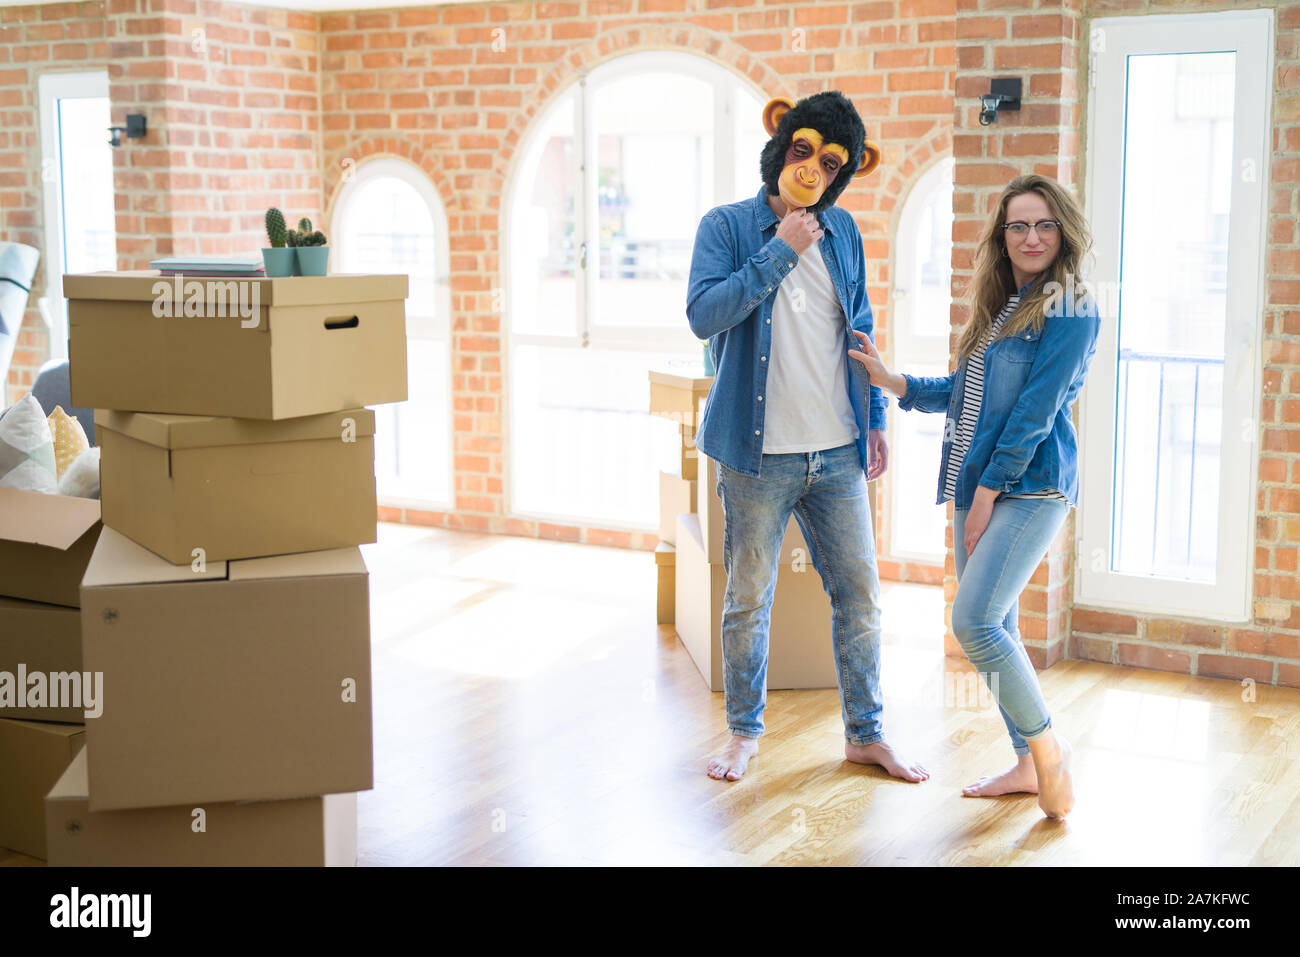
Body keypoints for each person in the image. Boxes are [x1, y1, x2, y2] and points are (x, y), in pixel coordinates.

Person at [687, 91, 928, 785]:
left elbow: (861, 323)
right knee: (748, 598)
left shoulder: (844, 230)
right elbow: (705, 315)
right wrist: (780, 252)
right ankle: (742, 736)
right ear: (781, 141)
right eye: (804, 150)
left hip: (839, 453)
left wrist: (875, 419)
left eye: (831, 162)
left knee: (861, 595)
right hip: (755, 456)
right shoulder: (728, 226)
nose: (813, 168)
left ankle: (867, 734)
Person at [849, 173, 1099, 819]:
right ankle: (1025, 762)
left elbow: (1036, 412)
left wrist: (989, 492)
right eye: (1018, 224)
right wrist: (889, 378)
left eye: (1044, 224)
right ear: (1002, 236)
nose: (1031, 236)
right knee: (1002, 621)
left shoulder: (1073, 306)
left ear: (1063, 232)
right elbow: (962, 394)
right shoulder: (1004, 308)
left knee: (974, 621)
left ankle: (1049, 751)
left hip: (1029, 482)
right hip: (975, 482)